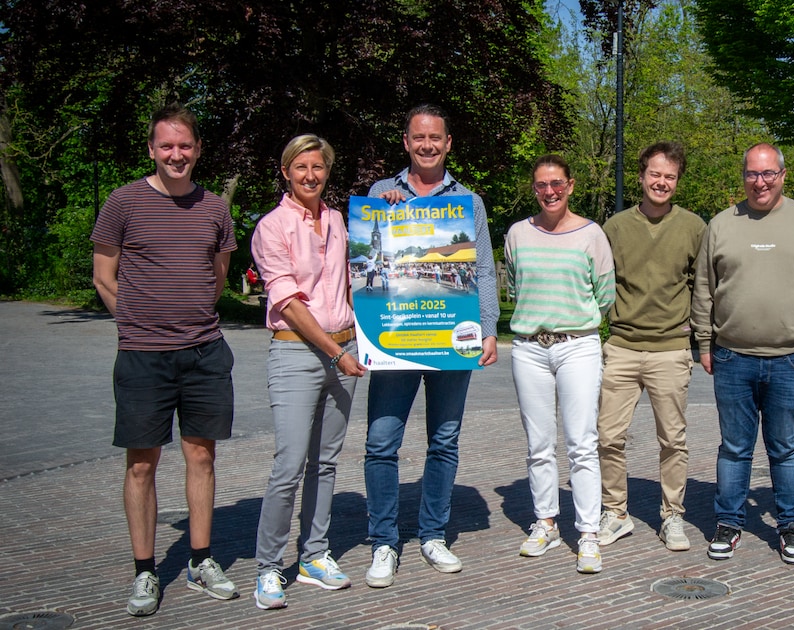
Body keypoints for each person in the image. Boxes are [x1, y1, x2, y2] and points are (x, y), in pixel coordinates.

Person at [91, 103, 239, 617]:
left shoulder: (215, 208)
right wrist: (133, 323)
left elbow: (218, 274)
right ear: (152, 149)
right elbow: (103, 276)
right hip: (142, 357)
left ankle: (200, 559)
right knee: (141, 466)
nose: (176, 155)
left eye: (185, 146)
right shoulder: (122, 202)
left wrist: (191, 314)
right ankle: (145, 571)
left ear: (197, 149)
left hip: (203, 352)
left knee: (202, 456)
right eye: (166, 146)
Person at [362, 104, 500, 586]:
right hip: (394, 338)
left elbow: (482, 269)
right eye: (418, 137)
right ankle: (383, 542)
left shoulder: (468, 201)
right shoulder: (382, 193)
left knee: (443, 440)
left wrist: (488, 327)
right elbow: (362, 254)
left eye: (435, 138)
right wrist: (387, 216)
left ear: (447, 143)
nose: (427, 145)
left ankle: (433, 534)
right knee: (382, 442)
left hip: (450, 338)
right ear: (406, 142)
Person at [691, 143, 794, 565]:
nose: (760, 181)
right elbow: (703, 288)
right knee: (734, 447)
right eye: (752, 174)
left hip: (791, 357)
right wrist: (703, 341)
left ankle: (790, 525)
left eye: (769, 173)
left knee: (786, 447)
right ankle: (729, 522)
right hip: (733, 356)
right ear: (743, 176)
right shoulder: (721, 225)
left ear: (783, 175)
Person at [249, 134, 368, 610]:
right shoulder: (272, 226)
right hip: (297, 351)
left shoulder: (340, 220)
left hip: (344, 348)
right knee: (290, 463)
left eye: (318, 167)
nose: (310, 176)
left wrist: (392, 206)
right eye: (301, 167)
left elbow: (363, 275)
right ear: (286, 172)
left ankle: (314, 555)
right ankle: (268, 567)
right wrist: (336, 354)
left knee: (326, 461)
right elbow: (289, 304)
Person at [505, 154, 614, 574]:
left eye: (556, 183)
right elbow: (515, 286)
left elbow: (604, 294)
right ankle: (546, 521)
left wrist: (573, 321)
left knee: (582, 442)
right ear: (534, 189)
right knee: (539, 444)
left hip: (577, 344)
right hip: (530, 347)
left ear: (570, 185)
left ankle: (587, 532)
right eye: (540, 185)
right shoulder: (518, 233)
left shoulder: (592, 234)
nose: (549, 191)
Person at [596, 142, 705, 552]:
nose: (661, 182)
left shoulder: (694, 227)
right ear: (641, 176)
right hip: (622, 345)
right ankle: (615, 512)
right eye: (655, 174)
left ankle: (672, 516)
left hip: (670, 349)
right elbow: (601, 281)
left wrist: (693, 330)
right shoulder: (616, 227)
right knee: (607, 436)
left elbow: (702, 284)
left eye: (670, 176)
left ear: (677, 182)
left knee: (672, 440)